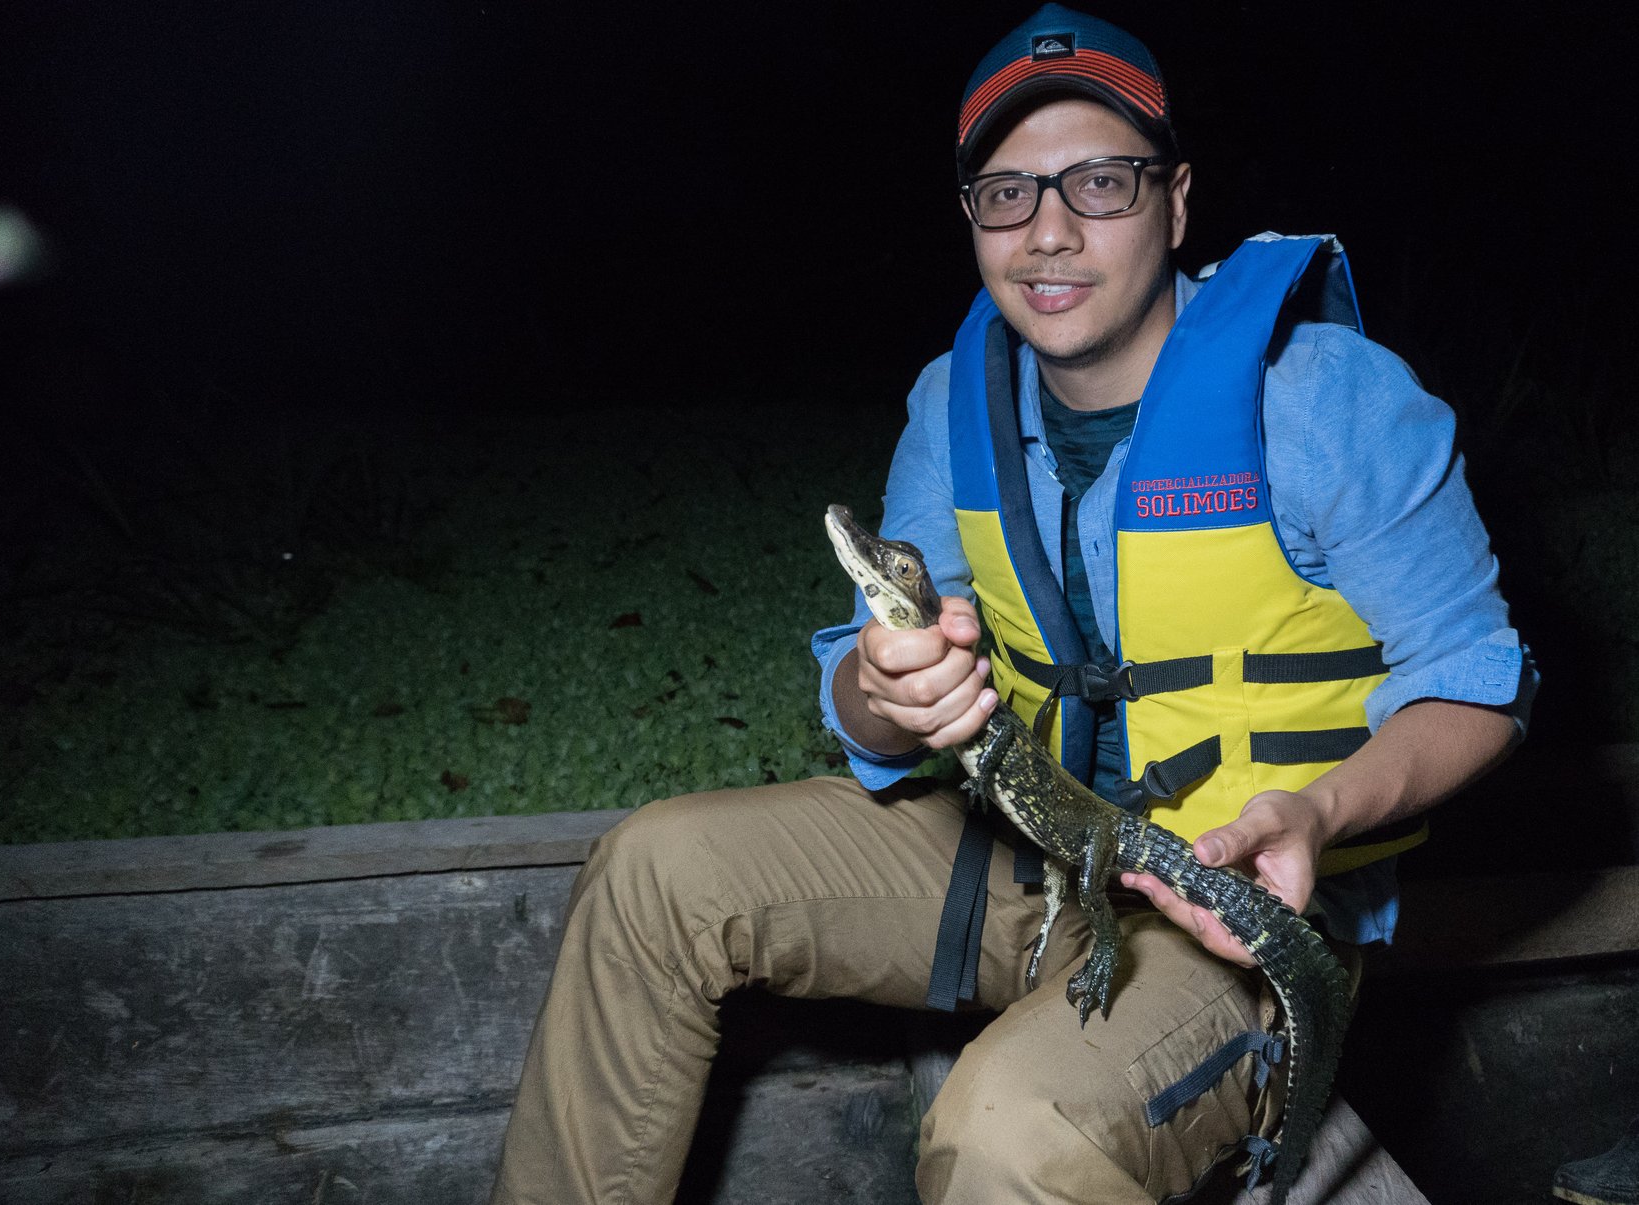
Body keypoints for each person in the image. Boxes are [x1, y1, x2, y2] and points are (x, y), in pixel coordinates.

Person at [491, 7, 1534, 1202]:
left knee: (1006, 1131)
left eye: (1099, 182)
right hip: (1033, 860)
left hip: (1239, 907)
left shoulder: (1331, 400)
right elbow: (863, 680)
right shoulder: (955, 402)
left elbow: (1480, 682)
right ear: (973, 219)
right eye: (1006, 193)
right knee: (653, 870)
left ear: (1177, 201)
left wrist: (1317, 811)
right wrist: (881, 692)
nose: (1048, 232)